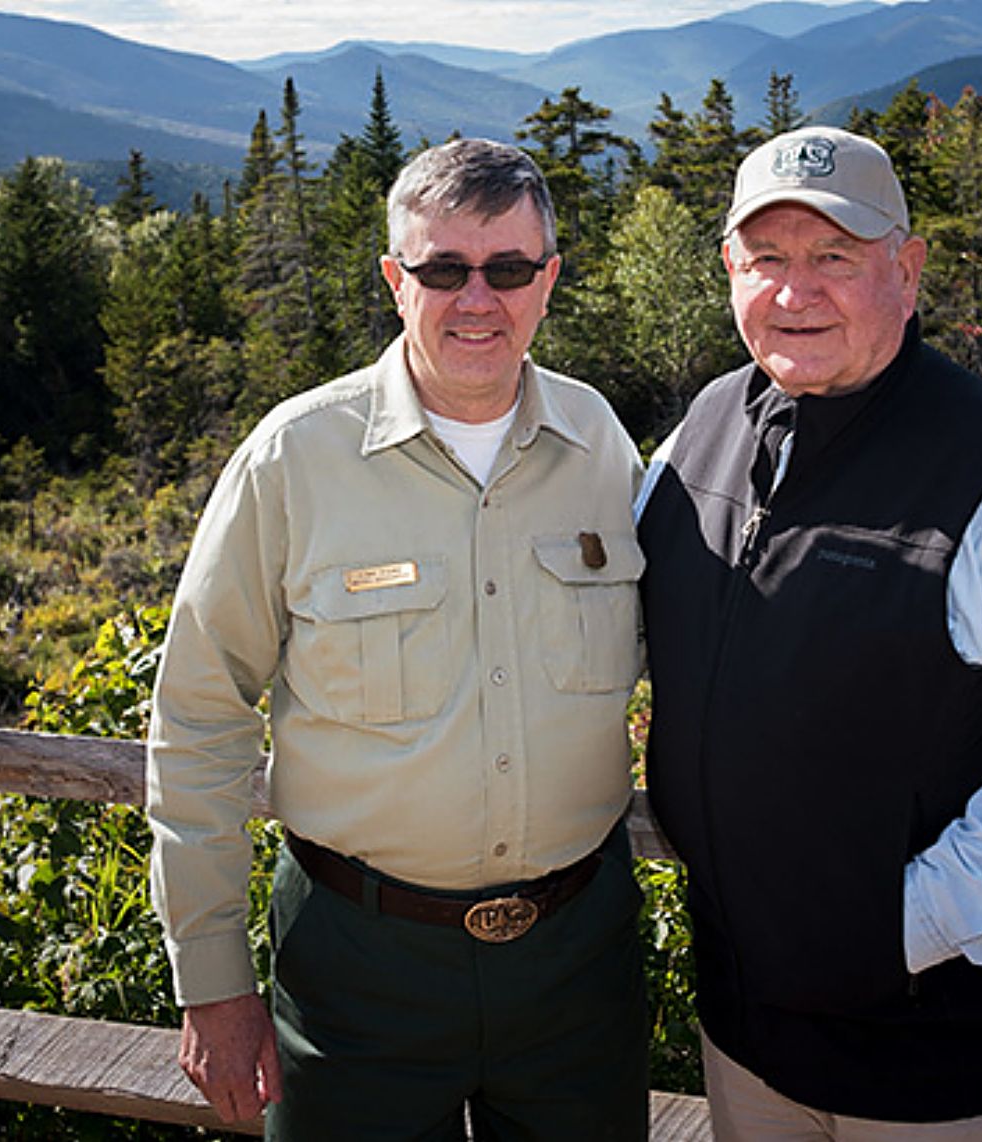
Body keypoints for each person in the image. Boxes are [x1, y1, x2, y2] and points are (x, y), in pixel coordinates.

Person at [635, 125, 982, 1139]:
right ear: (728, 272)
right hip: (748, 1041)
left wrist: (893, 929)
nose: (796, 293)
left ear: (908, 267)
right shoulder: (701, 430)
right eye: (767, 259)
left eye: (835, 257)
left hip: (956, 1068)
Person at [146, 138, 649, 1140]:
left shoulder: (602, 446)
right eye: (442, 270)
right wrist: (210, 979)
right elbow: (198, 714)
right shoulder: (293, 457)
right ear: (393, 279)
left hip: (576, 963)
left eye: (508, 268)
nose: (477, 299)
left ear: (547, 280)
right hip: (354, 968)